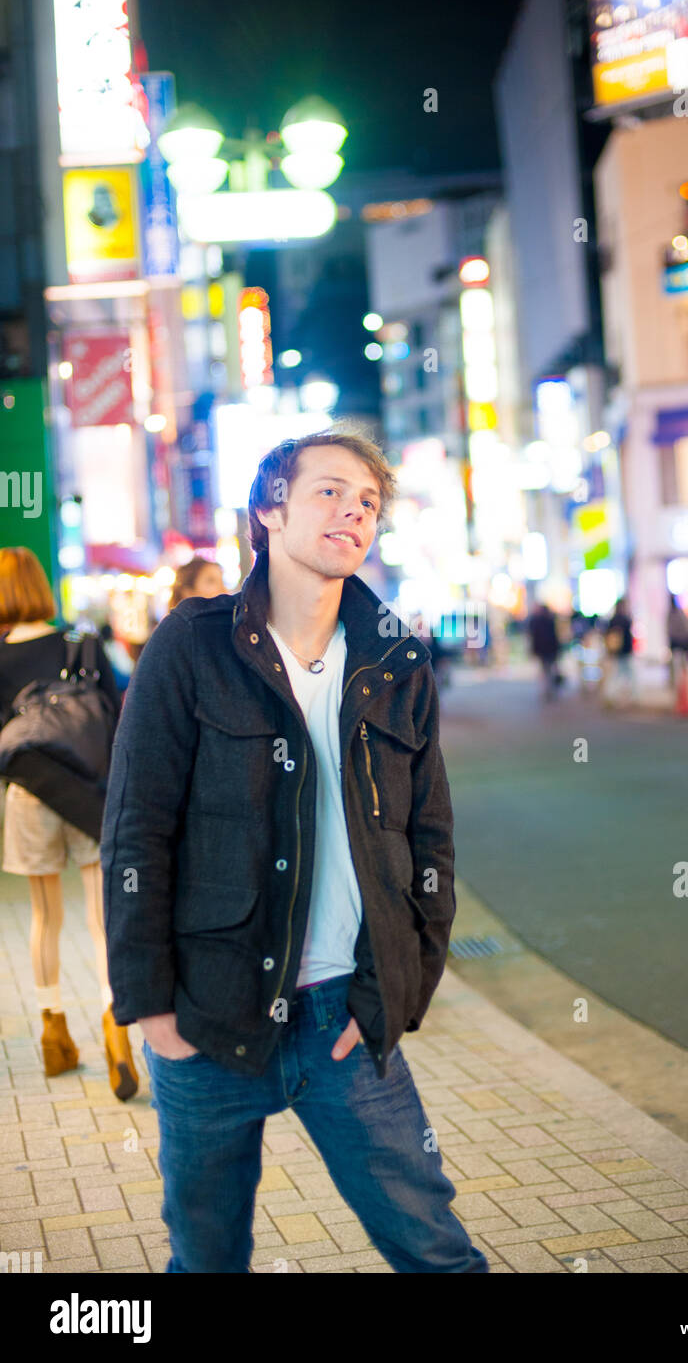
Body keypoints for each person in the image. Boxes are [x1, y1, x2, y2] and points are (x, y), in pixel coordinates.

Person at [101, 431, 489, 1274]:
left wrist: (401, 988)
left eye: (368, 503)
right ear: (269, 510)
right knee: (206, 1258)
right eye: (330, 491)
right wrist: (150, 1009)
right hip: (207, 1013)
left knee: (435, 1250)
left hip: (343, 1019)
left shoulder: (396, 659)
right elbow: (135, 830)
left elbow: (431, 839)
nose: (353, 511)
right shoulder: (192, 646)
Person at [0, 547, 136, 1099]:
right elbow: (117, 714)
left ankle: (54, 1034)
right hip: (89, 792)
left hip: (30, 797)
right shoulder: (81, 642)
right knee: (102, 919)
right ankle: (115, 1029)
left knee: (43, 917)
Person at [526, 601, 564, 700]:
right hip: (550, 649)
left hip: (545, 650)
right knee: (549, 669)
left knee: (546, 670)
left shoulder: (537, 621)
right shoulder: (550, 620)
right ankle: (550, 689)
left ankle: (548, 689)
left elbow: (533, 636)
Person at [601, 597, 635, 707]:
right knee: (626, 674)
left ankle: (613, 696)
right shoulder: (624, 619)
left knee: (618, 674)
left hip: (616, 651)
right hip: (624, 650)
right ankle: (624, 697)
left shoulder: (613, 620)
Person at [667, 593, 688, 689]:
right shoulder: (675, 613)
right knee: (679, 663)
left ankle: (682, 682)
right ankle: (680, 682)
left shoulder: (674, 613)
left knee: (680, 663)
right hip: (679, 641)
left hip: (679, 641)